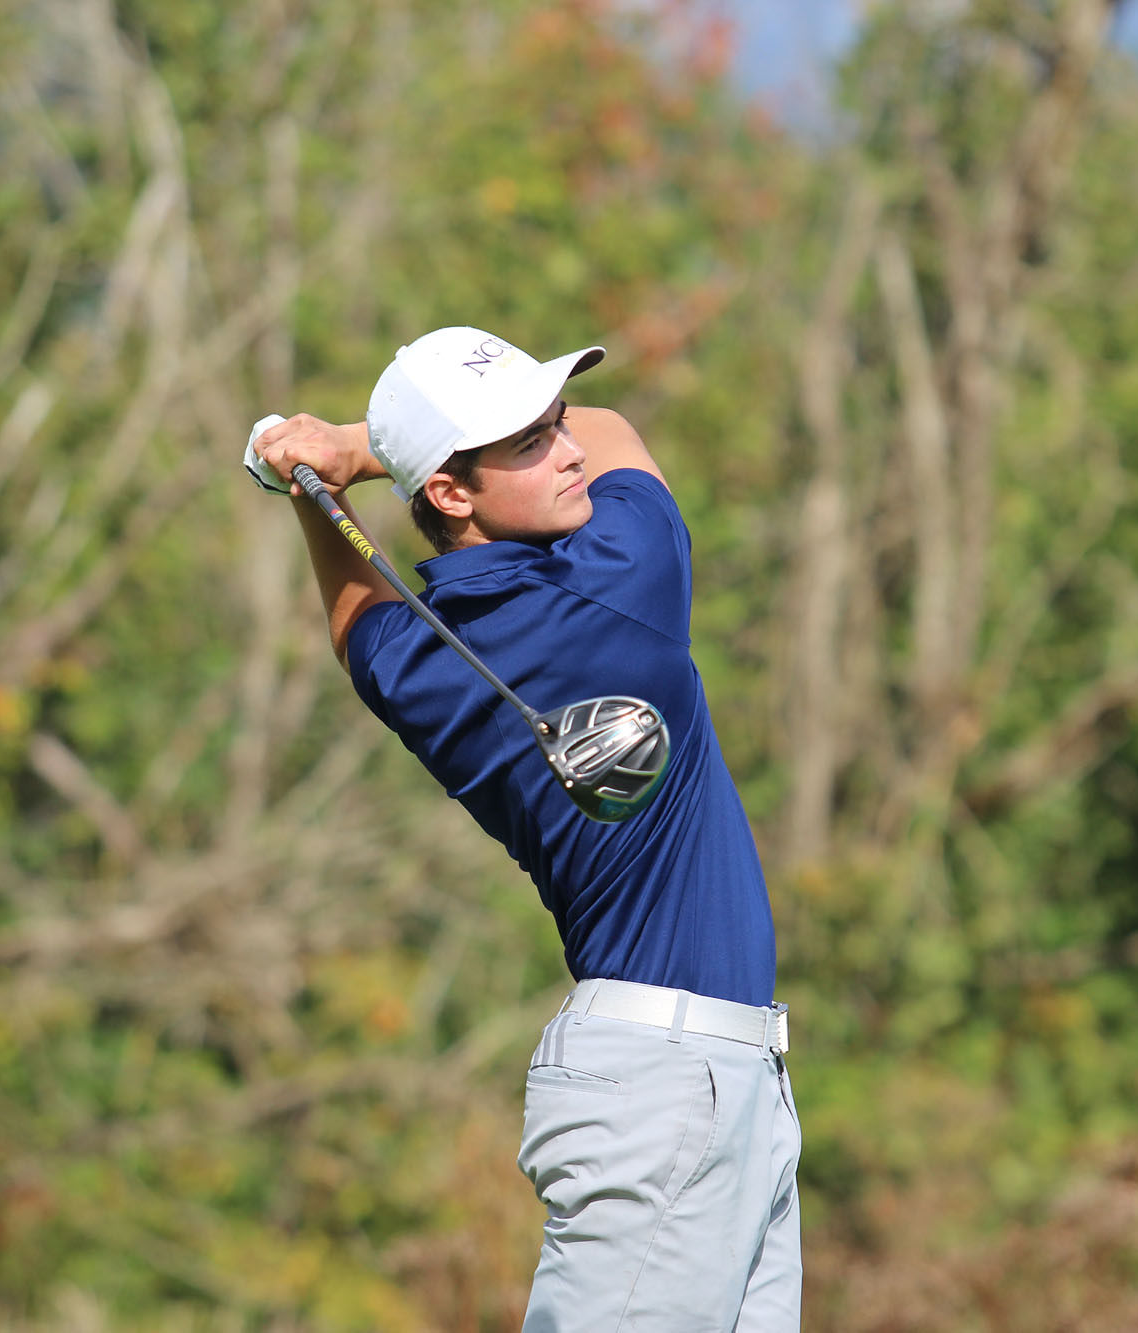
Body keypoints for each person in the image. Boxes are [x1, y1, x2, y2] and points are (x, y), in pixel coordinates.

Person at [245, 326, 800, 1331]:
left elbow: (357, 622)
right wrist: (351, 448)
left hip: (704, 1084)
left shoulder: (419, 666)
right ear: (451, 493)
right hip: (664, 1089)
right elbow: (617, 426)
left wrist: (313, 494)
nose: (568, 448)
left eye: (549, 421)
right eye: (527, 443)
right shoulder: (620, 579)